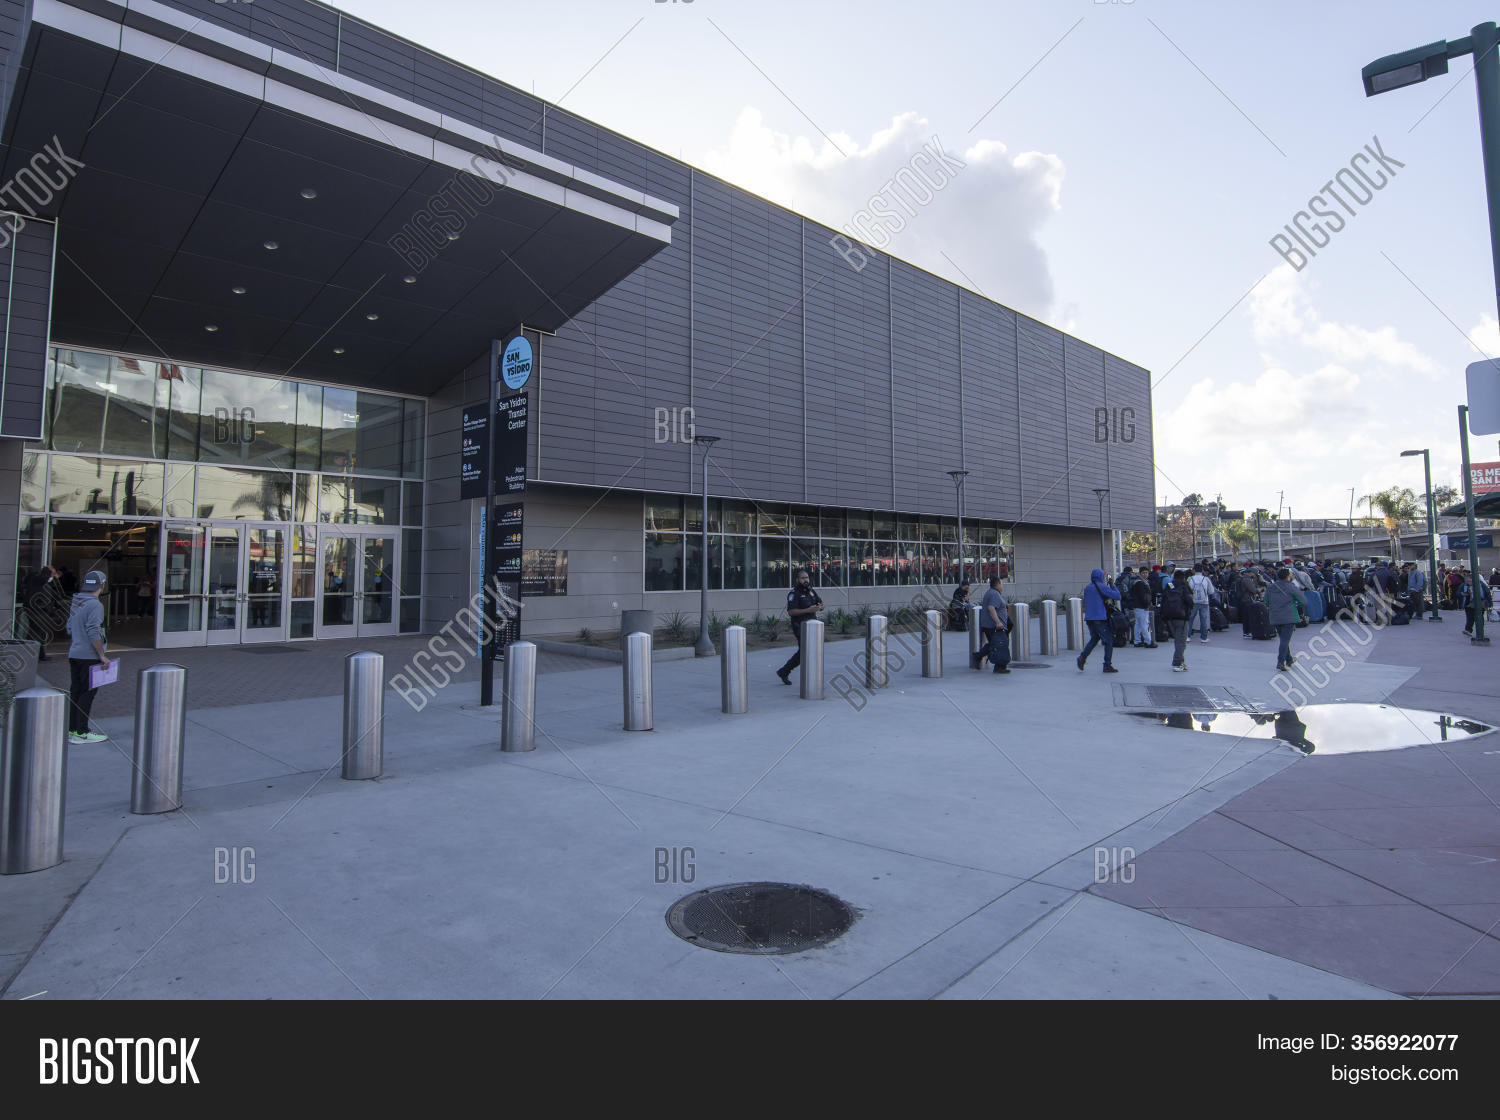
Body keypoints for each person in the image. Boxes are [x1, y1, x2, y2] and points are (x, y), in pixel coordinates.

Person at [66, 569, 112, 743]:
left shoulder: (76, 602)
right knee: (88, 692)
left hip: (75, 653)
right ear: (102, 585)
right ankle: (81, 732)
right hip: (89, 656)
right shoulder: (95, 605)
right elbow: (93, 631)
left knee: (76, 691)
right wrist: (102, 655)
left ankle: (73, 730)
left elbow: (69, 627)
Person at [776, 568, 823, 684]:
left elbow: (820, 603)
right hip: (800, 625)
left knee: (806, 651)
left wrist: (819, 607)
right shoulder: (794, 593)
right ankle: (788, 671)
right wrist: (808, 609)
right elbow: (791, 611)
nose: (805, 580)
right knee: (805, 651)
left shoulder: (811, 591)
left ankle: (784, 671)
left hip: (813, 625)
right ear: (797, 580)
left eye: (806, 577)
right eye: (803, 578)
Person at [1077, 567, 1121, 674]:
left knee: (1094, 638)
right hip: (1100, 618)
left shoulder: (1088, 588)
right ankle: (1107, 665)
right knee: (1109, 641)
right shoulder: (1102, 587)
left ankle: (1082, 657)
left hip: (1089, 618)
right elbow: (1118, 596)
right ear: (1101, 577)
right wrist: (1112, 584)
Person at [1264, 567, 1307, 673]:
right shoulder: (1291, 587)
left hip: (1275, 616)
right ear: (1288, 576)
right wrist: (1295, 604)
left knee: (1283, 638)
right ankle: (1280, 661)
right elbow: (1303, 601)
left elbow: (1266, 601)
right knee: (1285, 640)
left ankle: (1289, 659)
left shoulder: (1271, 587)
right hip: (1289, 616)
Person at [973, 575, 1011, 673]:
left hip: (990, 625)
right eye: (1001, 584)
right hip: (993, 626)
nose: (1002, 586)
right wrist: (998, 622)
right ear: (997, 584)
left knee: (995, 644)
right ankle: (998, 666)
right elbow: (991, 608)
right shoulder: (994, 594)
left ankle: (979, 657)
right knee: (999, 645)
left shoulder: (991, 593)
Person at [1160, 569, 1191, 672]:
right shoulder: (1184, 586)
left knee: (1178, 640)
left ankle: (1181, 661)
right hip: (1182, 617)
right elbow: (1189, 601)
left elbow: (1163, 599)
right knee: (1181, 641)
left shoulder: (1169, 586)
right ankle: (1177, 663)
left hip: (1170, 617)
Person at [1187, 563, 1215, 643]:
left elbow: (1187, 590)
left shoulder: (1190, 578)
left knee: (1190, 618)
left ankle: (1188, 636)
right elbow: (1211, 591)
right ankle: (1204, 637)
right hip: (1204, 602)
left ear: (1194, 570)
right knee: (1203, 619)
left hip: (1193, 602)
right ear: (1202, 570)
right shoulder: (1206, 579)